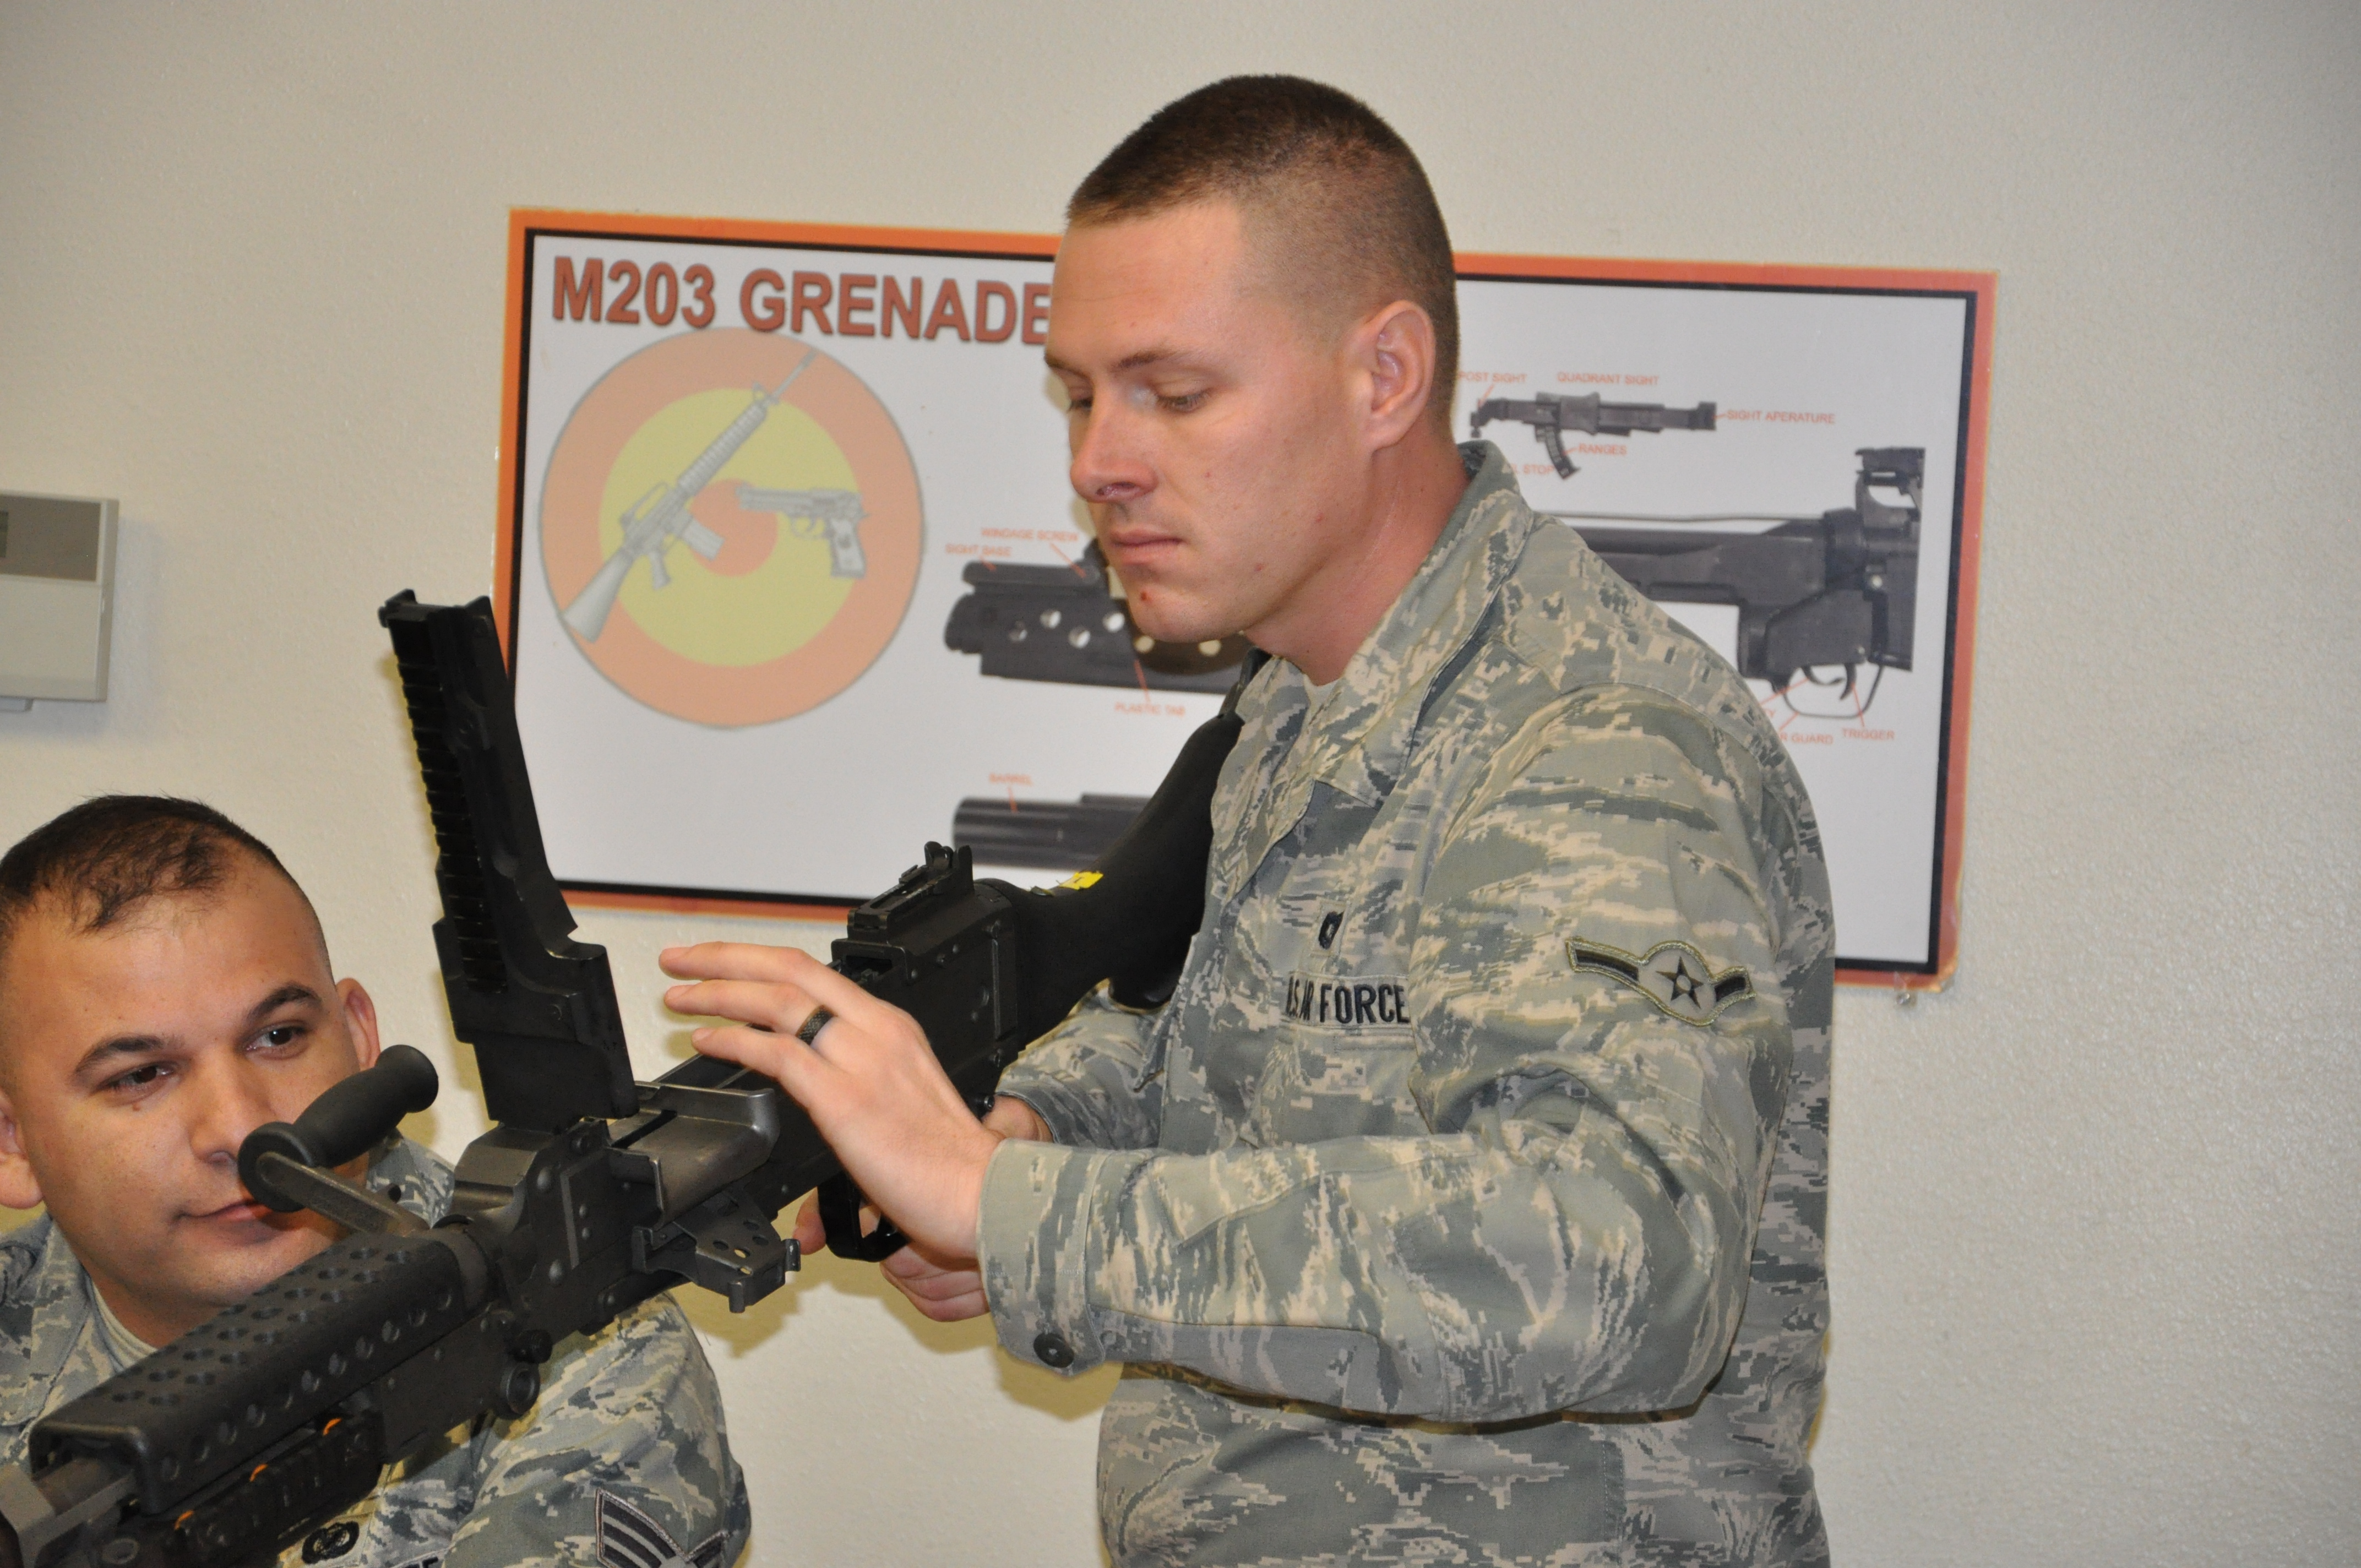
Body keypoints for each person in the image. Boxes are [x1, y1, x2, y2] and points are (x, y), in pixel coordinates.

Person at [665, 75, 1831, 1566]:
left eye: (1176, 391)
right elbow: (1231, 1039)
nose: (1099, 460)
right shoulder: (1298, 705)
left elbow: (1616, 1267)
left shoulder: (1593, 737)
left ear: (1385, 377)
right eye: (1081, 393)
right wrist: (1032, 1134)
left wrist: (1015, 1212)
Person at [0, 796, 752, 1568]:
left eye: (278, 1037)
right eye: (143, 1075)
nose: (237, 1128)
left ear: (360, 1037)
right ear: (12, 1142)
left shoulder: (577, 1341)